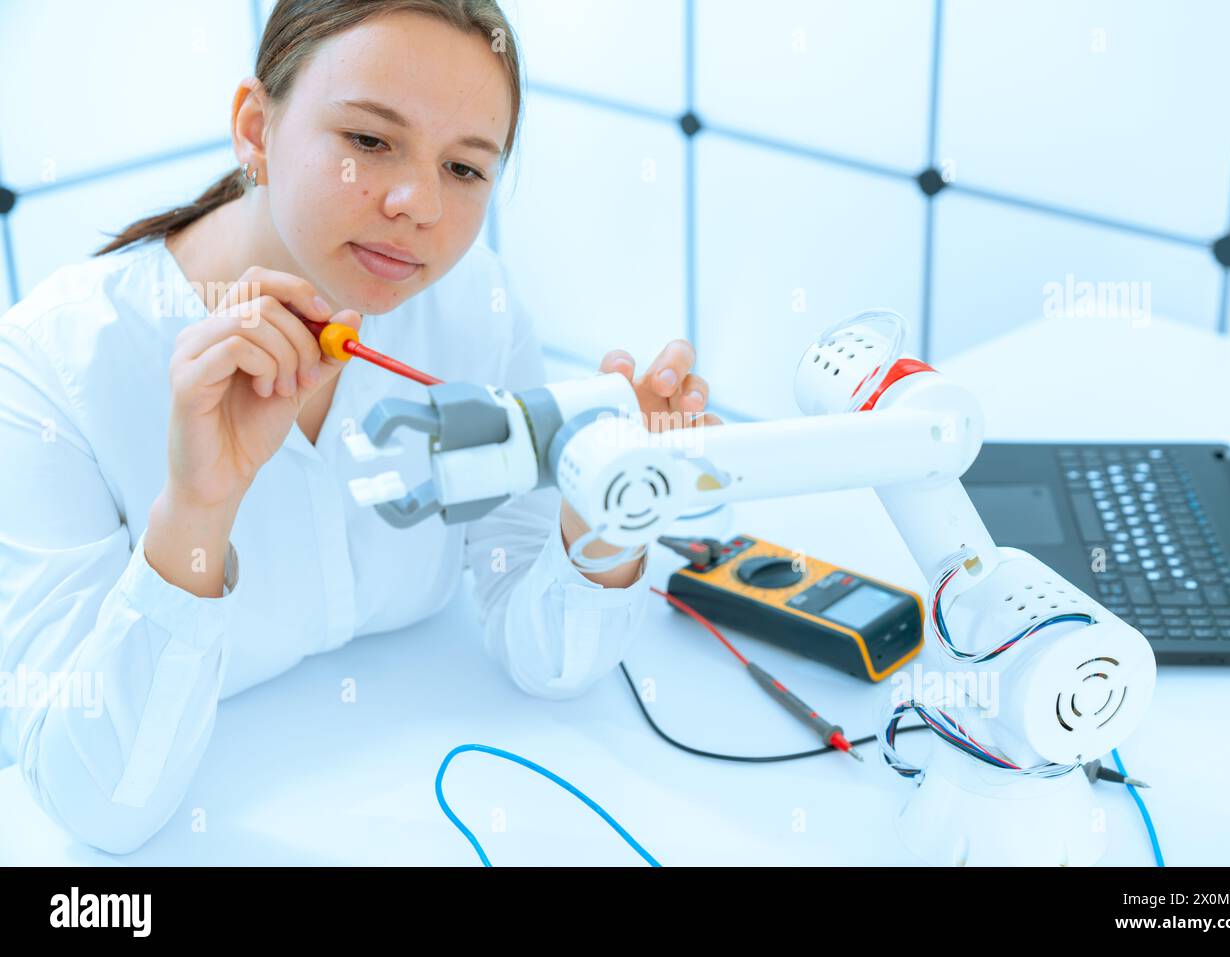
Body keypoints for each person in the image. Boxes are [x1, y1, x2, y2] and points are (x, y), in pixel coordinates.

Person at [0, 0, 719, 854]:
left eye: (464, 168)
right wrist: (196, 511)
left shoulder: (475, 308)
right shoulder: (50, 370)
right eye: (369, 142)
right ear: (255, 128)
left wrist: (609, 505)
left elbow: (552, 662)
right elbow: (100, 806)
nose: (418, 203)